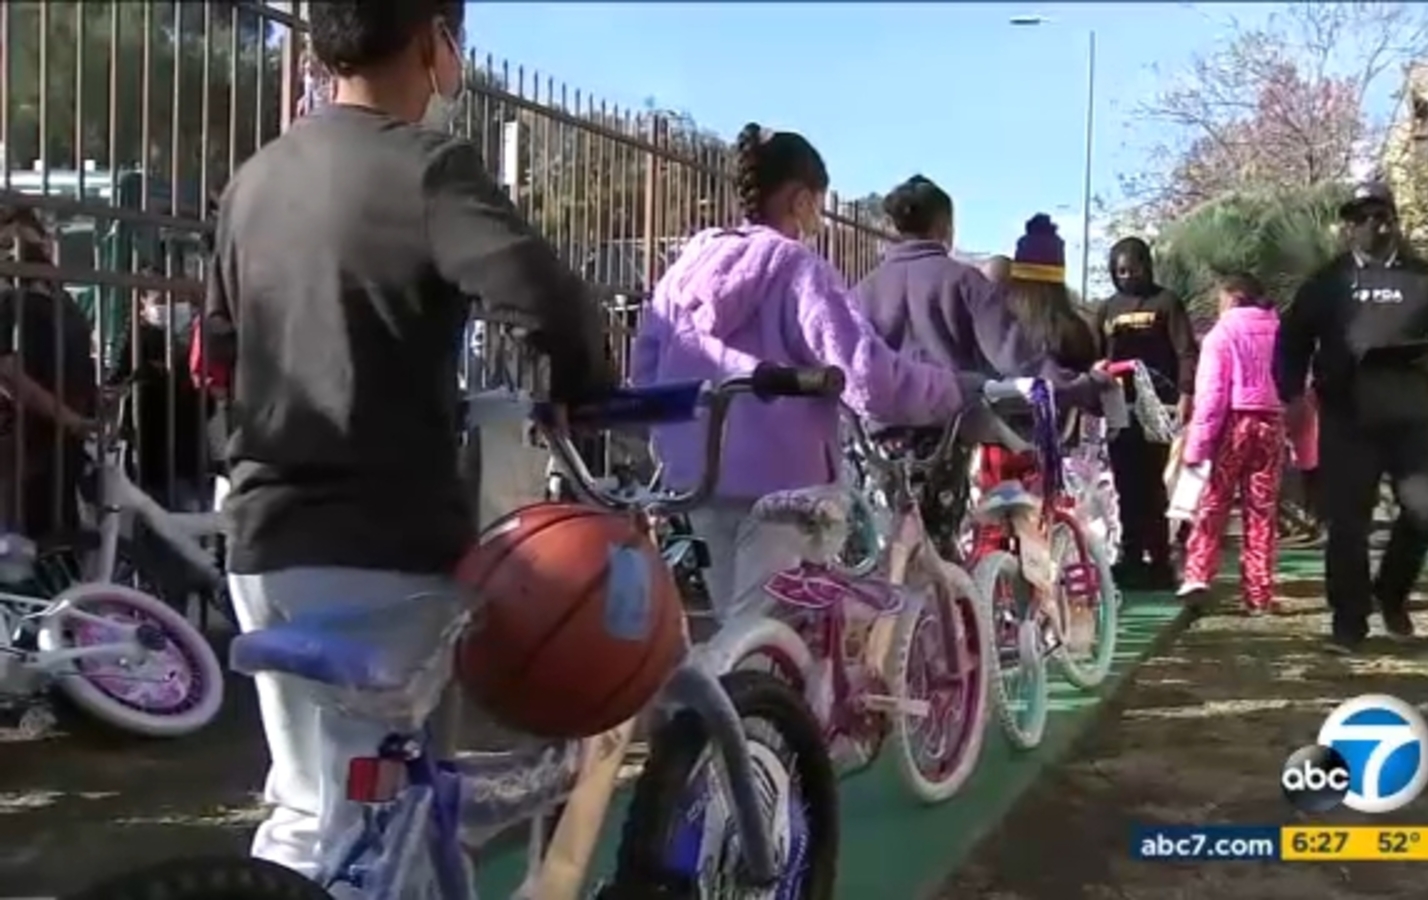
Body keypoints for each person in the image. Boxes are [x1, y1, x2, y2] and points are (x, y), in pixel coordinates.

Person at [205, 0, 613, 876]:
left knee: (309, 809)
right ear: (435, 38)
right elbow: (551, 304)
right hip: (381, 545)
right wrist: (584, 393)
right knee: (380, 823)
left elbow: (220, 346)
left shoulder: (254, 181)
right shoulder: (427, 168)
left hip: (262, 545)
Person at [629, 126, 964, 618]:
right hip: (789, 487)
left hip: (700, 481)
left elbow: (644, 373)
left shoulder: (683, 271)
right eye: (819, 207)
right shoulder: (798, 268)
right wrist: (949, 390)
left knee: (739, 627)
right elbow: (867, 376)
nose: (819, 222)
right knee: (786, 628)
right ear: (802, 201)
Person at [1275, 181, 1428, 654]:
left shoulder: (1426, 278)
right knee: (1348, 524)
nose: (1369, 225)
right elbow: (1292, 339)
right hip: (1347, 419)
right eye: (1358, 218)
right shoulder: (1328, 281)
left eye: (1378, 215)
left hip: (1411, 416)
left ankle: (1392, 594)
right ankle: (1349, 621)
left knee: (1423, 513)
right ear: (1349, 226)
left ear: (1393, 221)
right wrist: (1291, 394)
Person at [968, 214, 1110, 560]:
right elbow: (1082, 389)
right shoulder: (1074, 330)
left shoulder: (997, 326)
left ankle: (989, 582)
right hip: (1051, 445)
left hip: (996, 442)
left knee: (992, 525)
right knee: (1044, 527)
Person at [855, 175, 1044, 380]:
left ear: (893, 226)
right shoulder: (967, 282)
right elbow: (1019, 361)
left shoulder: (862, 292)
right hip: (959, 399)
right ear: (944, 226)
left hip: (881, 400)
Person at [1176, 273, 1289, 614]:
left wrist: (1197, 447)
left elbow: (1211, 396)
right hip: (1271, 423)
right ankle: (1258, 593)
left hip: (1232, 424)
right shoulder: (1280, 332)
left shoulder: (1221, 334)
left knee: (1214, 502)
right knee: (1262, 509)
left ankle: (1198, 574)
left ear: (1232, 298)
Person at [1095, 236, 1199, 589]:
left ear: (1146, 266)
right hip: (1119, 406)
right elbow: (1097, 354)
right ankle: (1130, 556)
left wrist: (1186, 394)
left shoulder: (1166, 302)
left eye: (1133, 270)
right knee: (1125, 484)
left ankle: (1159, 559)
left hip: (1158, 405)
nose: (1127, 277)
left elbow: (1186, 351)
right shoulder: (1107, 309)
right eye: (1120, 271)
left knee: (1153, 483)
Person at [0, 205, 97, 542]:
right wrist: (68, 417)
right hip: (25, 442)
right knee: (26, 543)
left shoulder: (56, 292)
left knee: (61, 537)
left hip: (65, 441)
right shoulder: (8, 295)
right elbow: (7, 371)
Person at [112, 281, 212, 511]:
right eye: (162, 301)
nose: (172, 306)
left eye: (177, 300)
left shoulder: (198, 335)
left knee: (188, 509)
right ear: (142, 303)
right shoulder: (137, 335)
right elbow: (117, 380)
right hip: (149, 441)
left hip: (189, 438)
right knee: (152, 509)